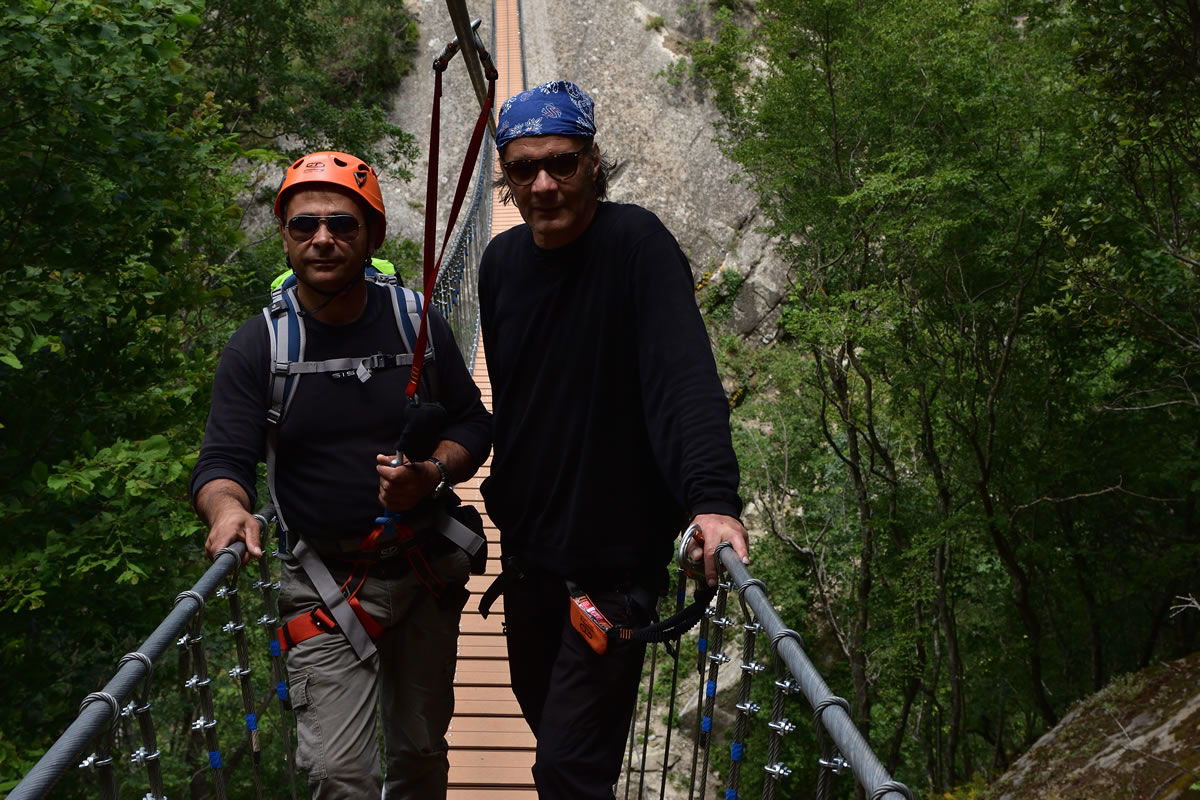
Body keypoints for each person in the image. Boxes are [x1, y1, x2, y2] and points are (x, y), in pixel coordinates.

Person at [478, 81, 751, 800]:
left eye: (562, 163)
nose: (542, 184)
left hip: (612, 570)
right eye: (523, 168)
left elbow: (683, 380)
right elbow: (517, 403)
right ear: (504, 173)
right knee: (555, 743)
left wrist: (712, 500)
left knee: (568, 769)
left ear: (594, 162)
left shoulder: (638, 246)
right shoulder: (500, 266)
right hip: (529, 563)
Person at [190, 150, 492, 798]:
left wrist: (432, 474)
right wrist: (228, 511)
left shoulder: (417, 326)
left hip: (419, 572)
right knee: (337, 774)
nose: (322, 238)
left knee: (418, 754)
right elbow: (224, 461)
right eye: (304, 226)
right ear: (285, 237)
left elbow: (472, 424)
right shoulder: (259, 348)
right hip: (323, 583)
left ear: (373, 235)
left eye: (341, 224)